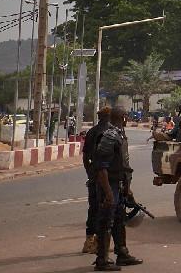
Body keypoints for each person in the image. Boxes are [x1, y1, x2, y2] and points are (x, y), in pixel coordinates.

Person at [91, 109, 142, 270]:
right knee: (106, 221)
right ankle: (102, 260)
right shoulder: (110, 136)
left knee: (119, 220)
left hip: (118, 184)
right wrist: (108, 192)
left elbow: (123, 166)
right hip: (109, 184)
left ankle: (122, 253)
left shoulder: (119, 134)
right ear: (123, 118)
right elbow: (101, 167)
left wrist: (127, 188)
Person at [81, 107, 112, 255]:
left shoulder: (92, 132)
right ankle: (100, 244)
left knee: (93, 208)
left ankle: (89, 241)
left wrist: (90, 173)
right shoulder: (111, 133)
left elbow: (85, 157)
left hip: (94, 175)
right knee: (105, 210)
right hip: (107, 177)